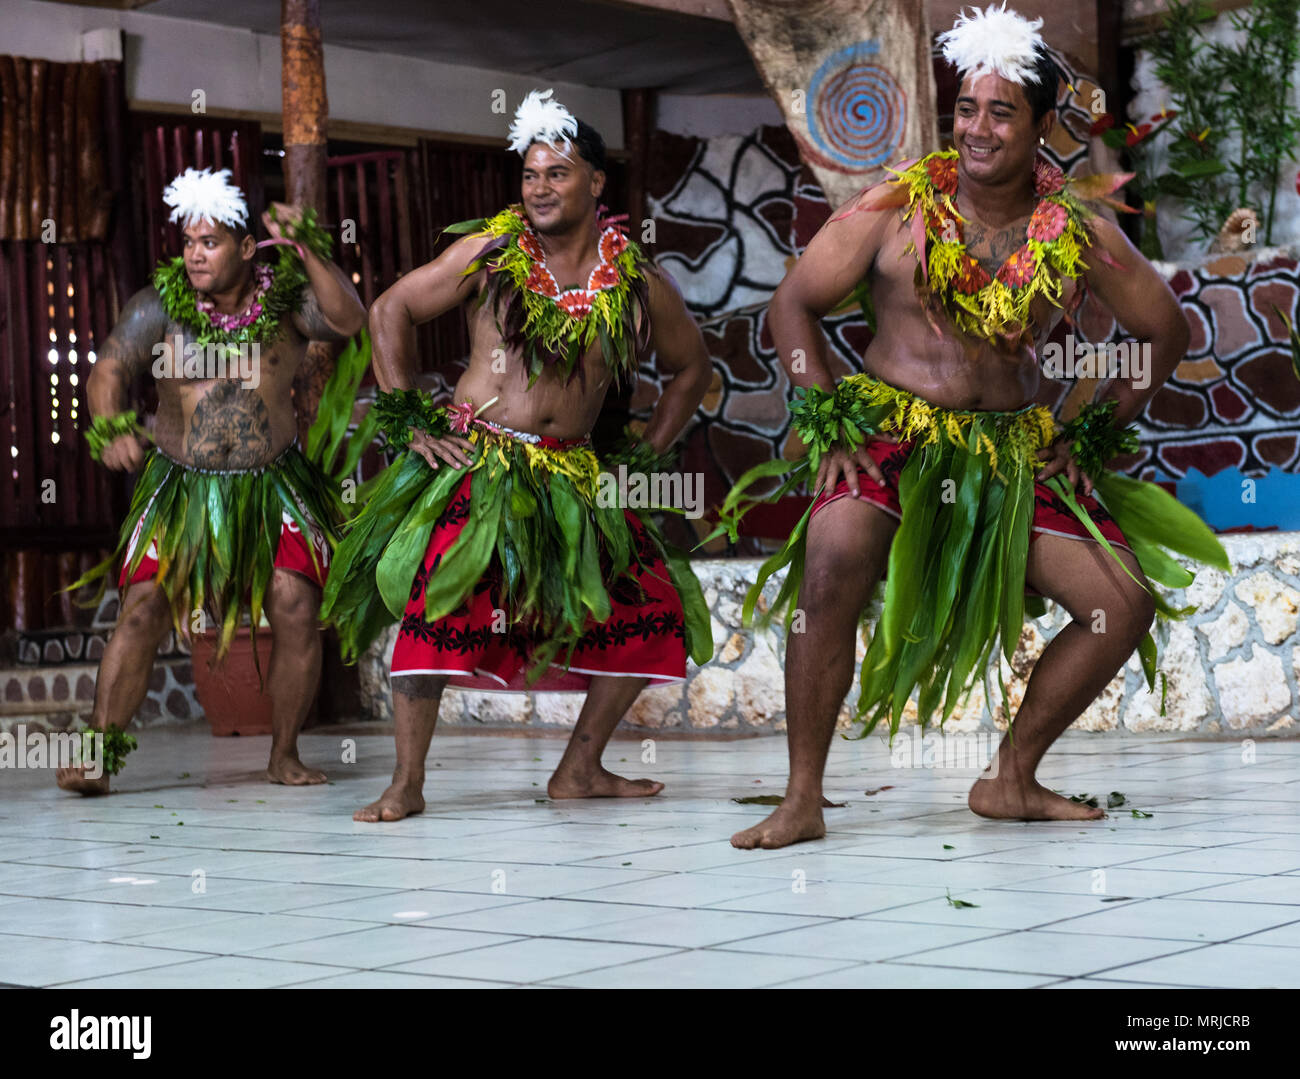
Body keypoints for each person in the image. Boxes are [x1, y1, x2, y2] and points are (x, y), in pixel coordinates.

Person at [719, 5, 1227, 848]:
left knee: (1120, 602)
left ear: (1038, 126)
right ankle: (802, 795)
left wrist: (1095, 430)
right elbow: (793, 305)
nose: (977, 128)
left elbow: (1164, 332)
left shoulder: (1078, 232)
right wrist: (827, 418)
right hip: (889, 429)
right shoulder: (894, 207)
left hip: (1010, 448)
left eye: (1000, 111)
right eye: (965, 108)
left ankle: (1012, 776)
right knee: (832, 562)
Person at [322, 90, 714, 822]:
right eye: (530, 174)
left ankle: (579, 768)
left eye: (557, 173)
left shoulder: (634, 281)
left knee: (655, 607)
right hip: (478, 459)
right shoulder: (491, 254)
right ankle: (407, 781)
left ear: (597, 183)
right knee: (436, 608)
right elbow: (389, 310)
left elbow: (693, 368)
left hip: (574, 472)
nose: (538, 187)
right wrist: (407, 418)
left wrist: (649, 454)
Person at [57, 167, 365, 794]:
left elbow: (352, 320)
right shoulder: (157, 307)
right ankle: (96, 755)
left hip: (273, 482)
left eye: (211, 242)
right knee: (142, 610)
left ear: (248, 249)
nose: (194, 254)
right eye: (189, 242)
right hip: (180, 483)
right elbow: (107, 373)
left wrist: (309, 253)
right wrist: (110, 426)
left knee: (296, 606)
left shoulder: (289, 303)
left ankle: (283, 754)